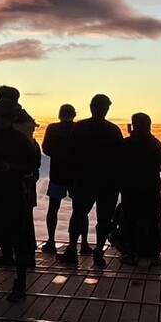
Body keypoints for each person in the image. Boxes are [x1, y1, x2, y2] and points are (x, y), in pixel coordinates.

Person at [0, 98, 42, 301]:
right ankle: (9, 285)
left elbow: (32, 164)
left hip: (6, 194)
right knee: (2, 240)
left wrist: (10, 169)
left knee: (8, 240)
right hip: (7, 194)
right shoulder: (19, 139)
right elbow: (33, 164)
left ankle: (3, 285)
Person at [63, 94, 123, 268]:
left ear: (91, 107)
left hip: (84, 180)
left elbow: (71, 154)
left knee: (78, 215)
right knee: (104, 219)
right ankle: (98, 252)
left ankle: (72, 249)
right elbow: (120, 157)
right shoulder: (113, 130)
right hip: (108, 183)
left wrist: (72, 179)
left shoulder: (80, 127)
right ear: (106, 109)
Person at [114, 113, 161, 266]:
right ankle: (153, 254)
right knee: (152, 219)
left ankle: (131, 253)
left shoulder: (126, 144)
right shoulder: (155, 143)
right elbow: (159, 166)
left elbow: (118, 166)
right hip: (151, 187)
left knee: (130, 219)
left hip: (130, 188)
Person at [40, 104, 76, 254]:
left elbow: (46, 149)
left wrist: (59, 154)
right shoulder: (79, 128)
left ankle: (51, 241)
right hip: (76, 174)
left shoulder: (52, 128)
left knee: (53, 208)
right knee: (80, 210)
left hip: (57, 173)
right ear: (73, 115)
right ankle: (82, 243)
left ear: (60, 115)